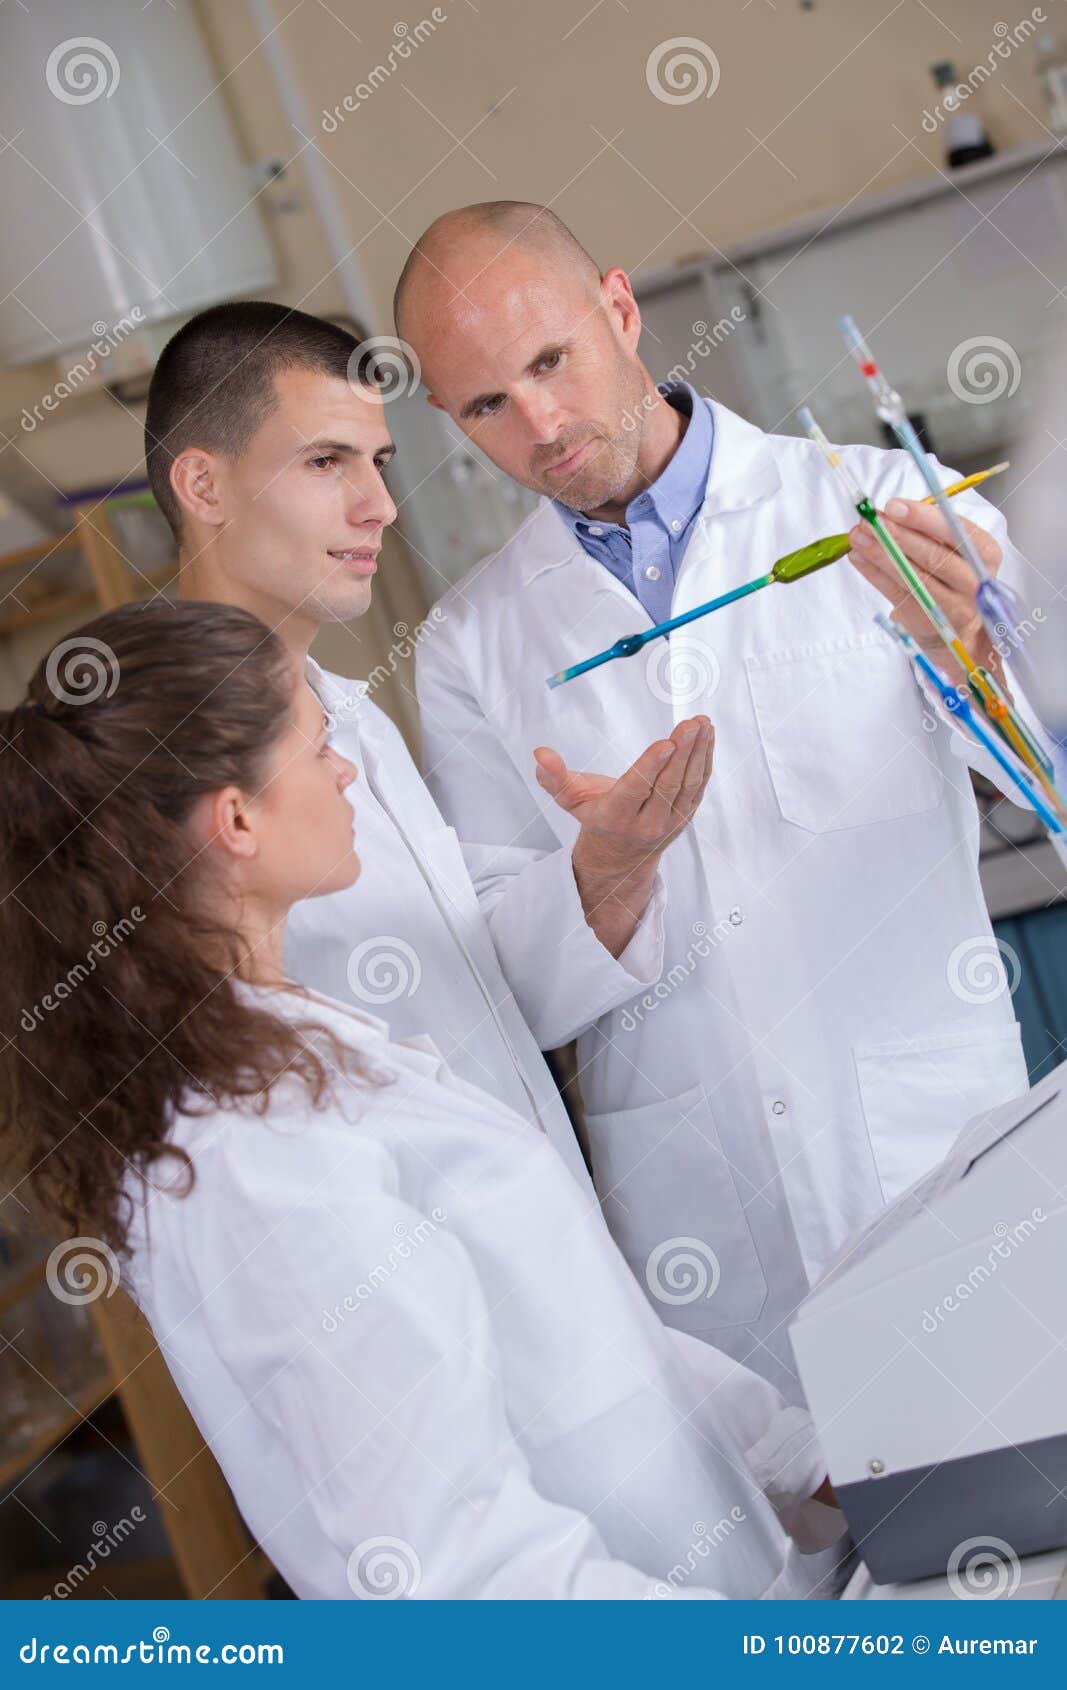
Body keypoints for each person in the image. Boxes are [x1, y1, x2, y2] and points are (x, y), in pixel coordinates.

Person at [0, 601, 841, 1600]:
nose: (346, 770)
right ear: (235, 819)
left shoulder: (303, 1048)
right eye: (318, 750)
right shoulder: (258, 1157)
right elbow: (458, 1576)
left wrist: (802, 1459)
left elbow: (574, 1328)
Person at [395, 201, 1032, 1400]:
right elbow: (506, 995)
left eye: (550, 360)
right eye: (485, 402)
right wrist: (608, 872)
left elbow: (1048, 770)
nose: (537, 423)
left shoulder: (885, 500)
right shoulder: (468, 644)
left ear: (621, 311)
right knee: (807, 1554)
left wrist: (975, 657)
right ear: (442, 414)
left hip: (929, 1146)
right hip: (711, 1239)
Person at [142, 301, 713, 1195]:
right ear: (204, 487)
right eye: (326, 462)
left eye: (377, 463)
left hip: (522, 1240)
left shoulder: (352, 722)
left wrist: (607, 865)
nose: (378, 507)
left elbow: (464, 986)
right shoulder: (148, 765)